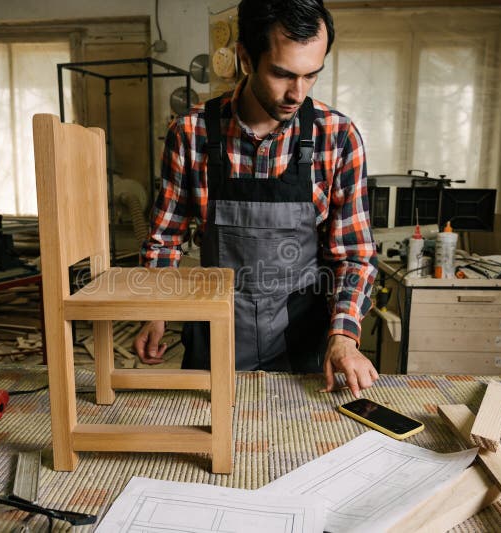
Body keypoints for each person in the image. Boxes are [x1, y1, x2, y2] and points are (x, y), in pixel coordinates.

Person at [135, 0, 378, 397]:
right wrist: (156, 311)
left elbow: (354, 256)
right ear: (245, 58)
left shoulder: (337, 137)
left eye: (311, 75)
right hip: (214, 339)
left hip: (304, 346)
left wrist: (345, 335)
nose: (297, 93)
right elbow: (165, 239)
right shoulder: (191, 133)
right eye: (282, 74)